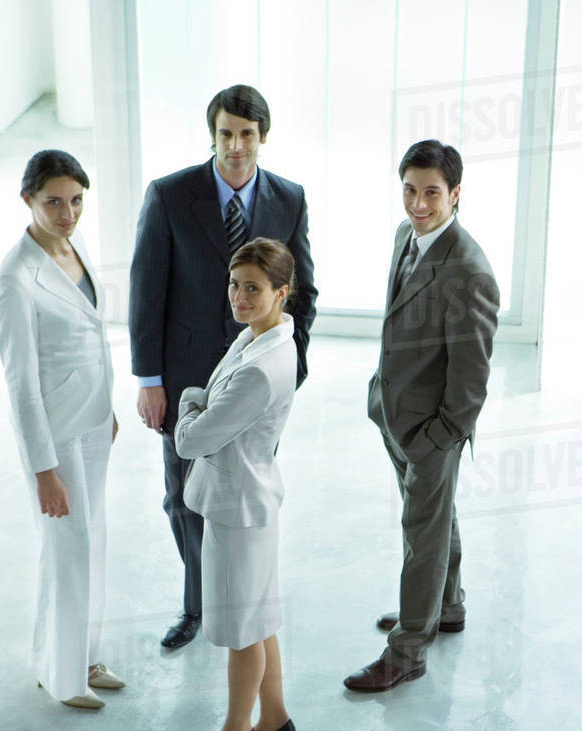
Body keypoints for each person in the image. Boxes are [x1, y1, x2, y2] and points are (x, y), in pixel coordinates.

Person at [129, 84, 317, 651]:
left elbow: (303, 290)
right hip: (185, 378)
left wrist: (293, 362)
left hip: (257, 385)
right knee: (185, 497)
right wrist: (149, 381)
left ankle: (246, 609)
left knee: (242, 495)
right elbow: (146, 293)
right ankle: (199, 605)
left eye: (247, 135)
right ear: (212, 135)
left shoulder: (290, 198)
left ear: (263, 137)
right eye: (226, 133)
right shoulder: (168, 195)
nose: (236, 146)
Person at [344, 140, 500, 693]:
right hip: (394, 413)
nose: (418, 203)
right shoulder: (404, 237)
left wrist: (438, 438)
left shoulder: (469, 272)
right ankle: (447, 607)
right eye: (409, 190)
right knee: (433, 515)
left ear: (456, 195)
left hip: (431, 428)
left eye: (432, 192)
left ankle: (409, 647)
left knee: (422, 531)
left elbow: (471, 380)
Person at [0, 150, 124, 710]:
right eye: (54, 202)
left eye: (76, 200)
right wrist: (44, 469)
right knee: (67, 549)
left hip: (92, 420)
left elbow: (90, 333)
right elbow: (21, 385)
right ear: (28, 200)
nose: (68, 212)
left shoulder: (74, 246)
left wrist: (108, 405)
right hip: (56, 435)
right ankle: (63, 676)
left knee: (92, 541)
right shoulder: (15, 279)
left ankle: (84, 657)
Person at [171, 238, 298, 731]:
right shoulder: (262, 338)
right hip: (249, 499)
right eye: (234, 284)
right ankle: (273, 717)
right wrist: (202, 408)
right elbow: (211, 415)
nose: (239, 297)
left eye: (253, 288)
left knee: (241, 630)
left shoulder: (257, 367)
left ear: (281, 293)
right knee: (260, 616)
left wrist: (186, 404)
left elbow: (191, 440)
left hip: (236, 507)